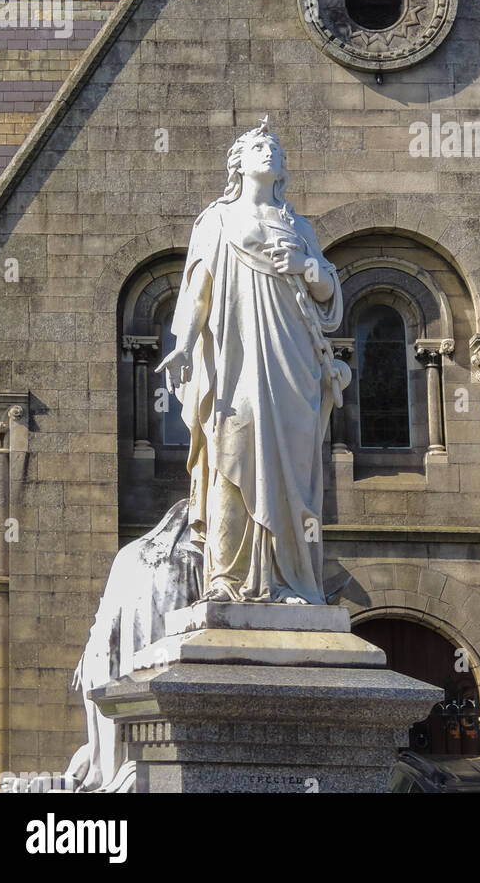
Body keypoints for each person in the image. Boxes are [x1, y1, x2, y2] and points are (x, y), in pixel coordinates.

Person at [156, 117, 350, 604]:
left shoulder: (299, 226)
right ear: (238, 163)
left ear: (282, 169)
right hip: (237, 361)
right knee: (233, 455)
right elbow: (196, 292)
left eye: (275, 148)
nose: (269, 151)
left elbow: (328, 293)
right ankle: (227, 578)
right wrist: (182, 343)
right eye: (258, 146)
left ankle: (291, 580)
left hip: (292, 364)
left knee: (294, 472)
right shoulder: (216, 221)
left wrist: (306, 266)